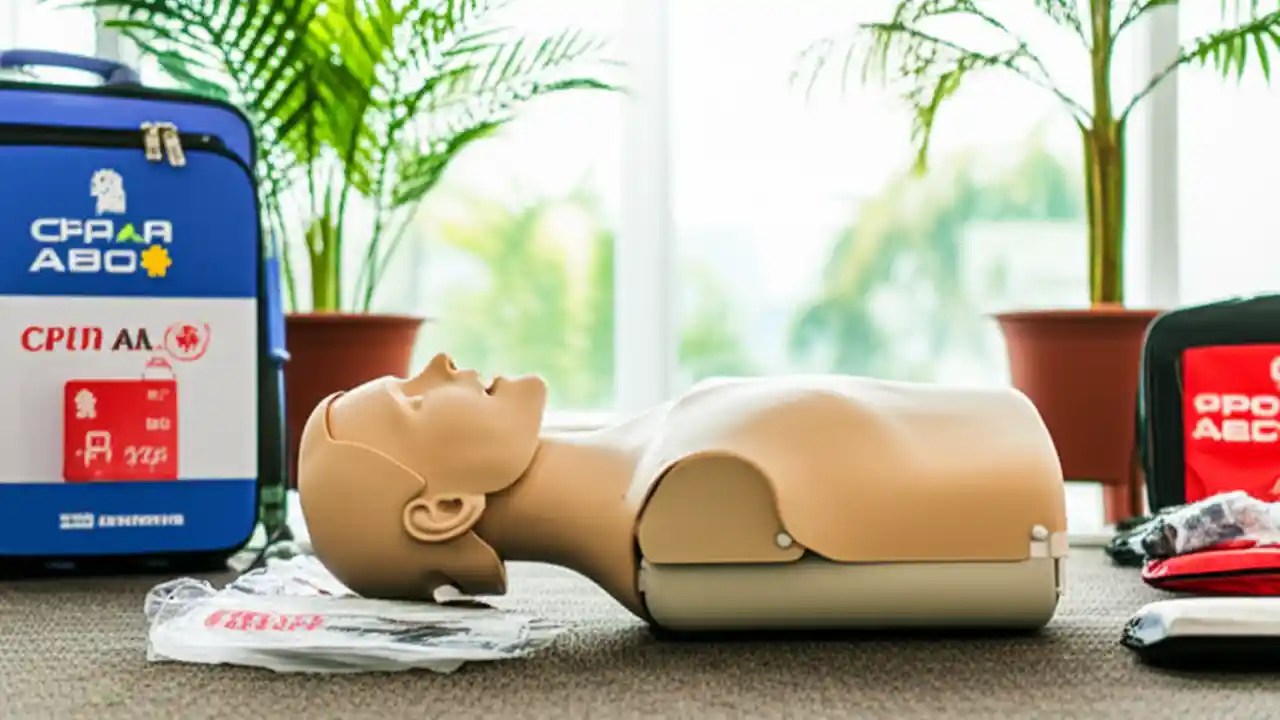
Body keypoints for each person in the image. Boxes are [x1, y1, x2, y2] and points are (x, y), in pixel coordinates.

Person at [298, 353, 1067, 631]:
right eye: (413, 400)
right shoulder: (678, 508)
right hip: (1019, 481)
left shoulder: (659, 458)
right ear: (442, 512)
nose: (439, 364)